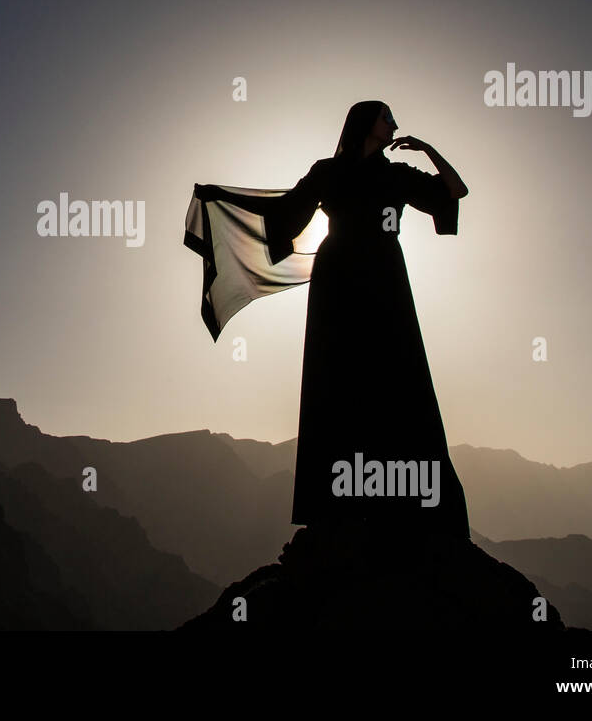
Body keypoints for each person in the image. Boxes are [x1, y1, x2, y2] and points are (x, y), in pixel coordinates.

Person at [189, 101, 470, 538]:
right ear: (365, 123)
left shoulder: (396, 174)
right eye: (386, 116)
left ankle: (404, 505)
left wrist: (429, 150)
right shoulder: (327, 172)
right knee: (336, 381)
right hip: (338, 281)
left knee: (397, 377)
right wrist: (223, 199)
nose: (394, 124)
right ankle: (338, 507)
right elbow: (284, 212)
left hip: (385, 282)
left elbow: (455, 192)